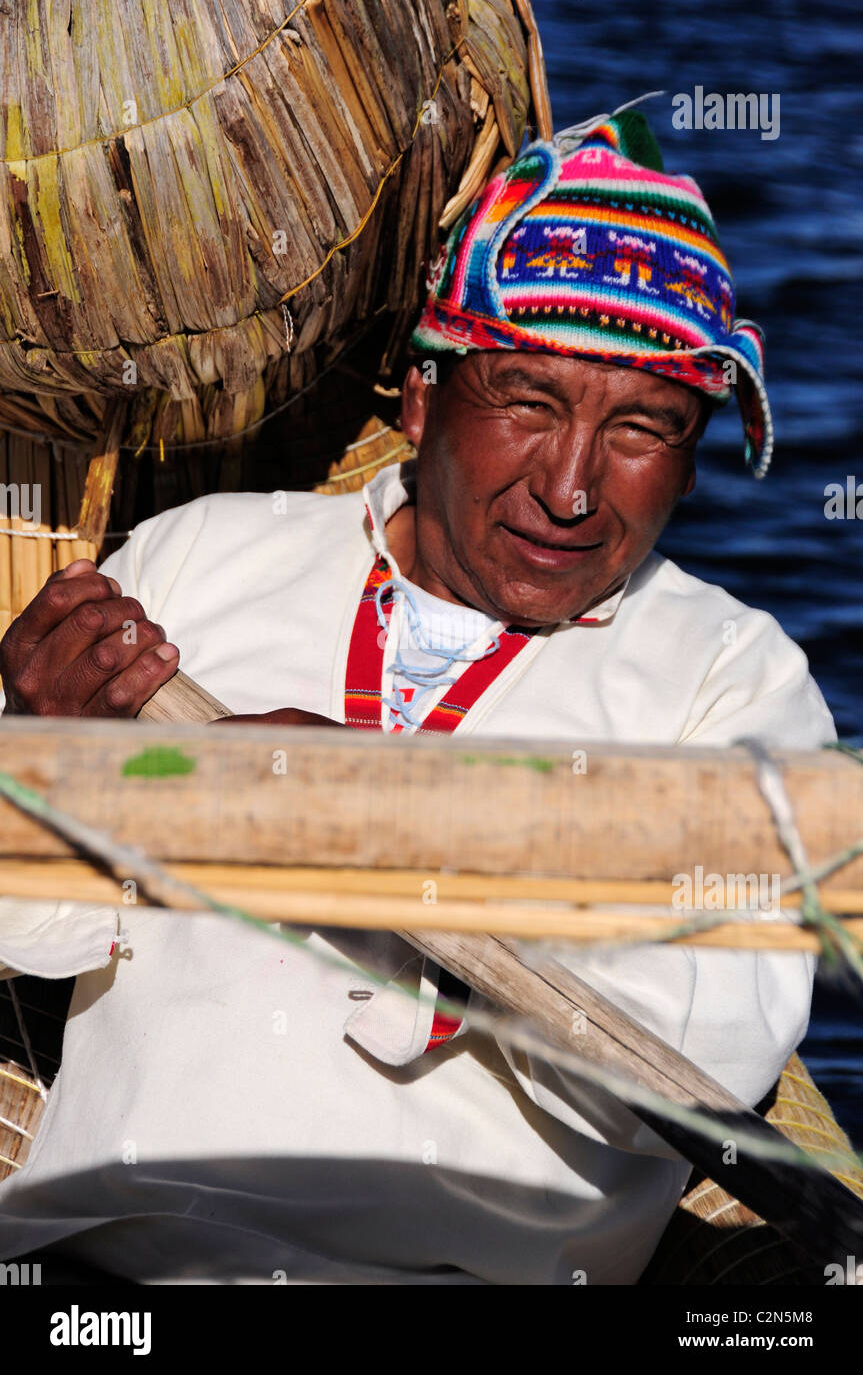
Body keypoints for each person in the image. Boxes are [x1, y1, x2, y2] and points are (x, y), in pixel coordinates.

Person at [0, 110, 835, 1284]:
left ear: (690, 465)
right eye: (527, 401)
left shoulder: (728, 681)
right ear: (422, 402)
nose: (569, 487)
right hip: (95, 1272)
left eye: (640, 428)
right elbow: (29, 937)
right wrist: (44, 771)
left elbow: (702, 1056)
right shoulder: (197, 561)